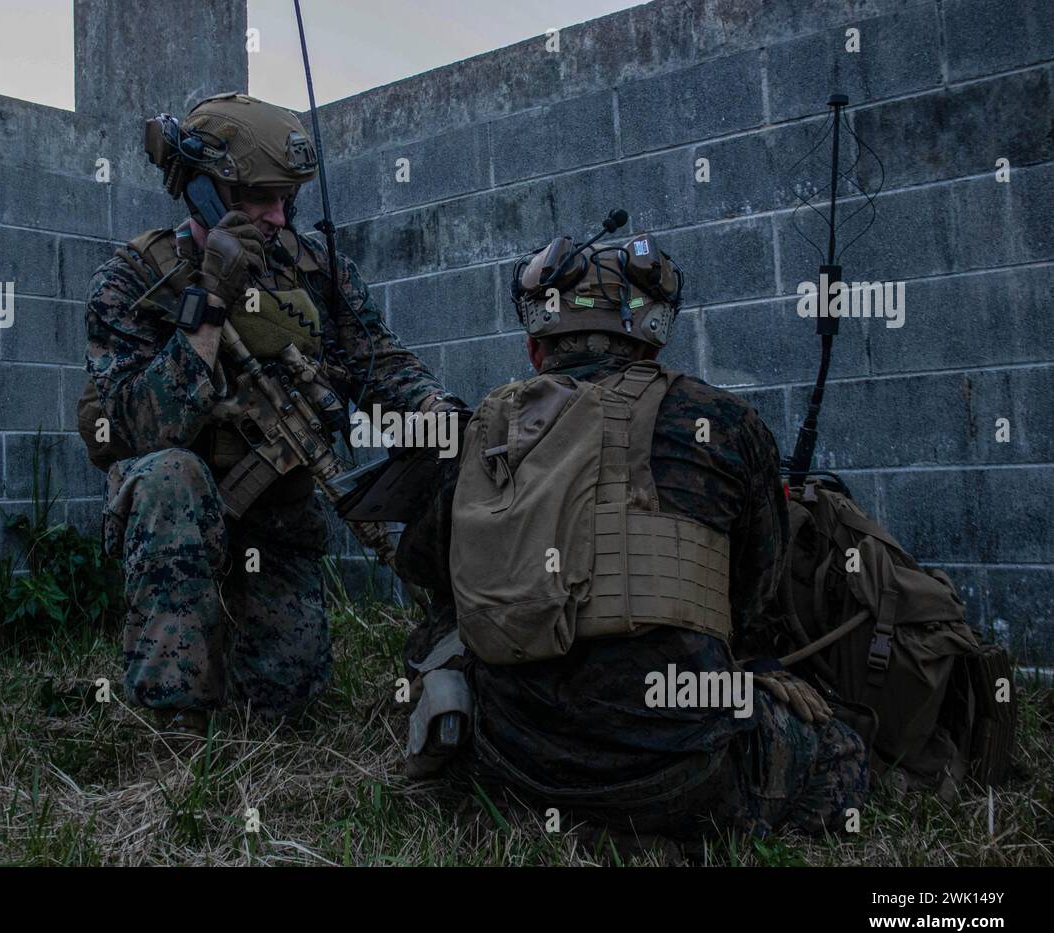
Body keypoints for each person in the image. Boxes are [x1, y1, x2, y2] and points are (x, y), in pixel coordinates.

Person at [397, 229, 869, 841]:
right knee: (842, 752)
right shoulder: (723, 421)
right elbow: (754, 599)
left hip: (513, 765)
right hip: (678, 776)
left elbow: (427, 570)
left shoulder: (485, 430)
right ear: (649, 347)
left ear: (536, 350)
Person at [77, 92, 462, 731]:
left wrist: (438, 412)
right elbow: (142, 426)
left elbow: (381, 362)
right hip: (178, 505)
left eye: (287, 197)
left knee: (285, 712)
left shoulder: (311, 265)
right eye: (260, 198)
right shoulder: (134, 278)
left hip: (276, 510)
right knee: (172, 473)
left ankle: (243, 657)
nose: (279, 216)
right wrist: (210, 298)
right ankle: (173, 719)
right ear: (203, 193)